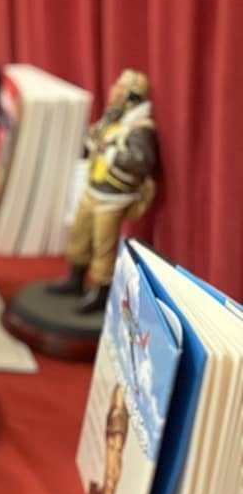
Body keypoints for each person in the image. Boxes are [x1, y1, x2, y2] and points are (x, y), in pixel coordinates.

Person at [52, 69, 158, 314]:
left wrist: (111, 152)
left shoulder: (140, 128)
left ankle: (99, 291)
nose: (113, 92)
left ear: (132, 97)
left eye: (119, 89)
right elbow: (94, 141)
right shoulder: (112, 119)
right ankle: (75, 279)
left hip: (113, 198)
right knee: (79, 234)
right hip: (93, 190)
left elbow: (142, 160)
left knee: (104, 245)